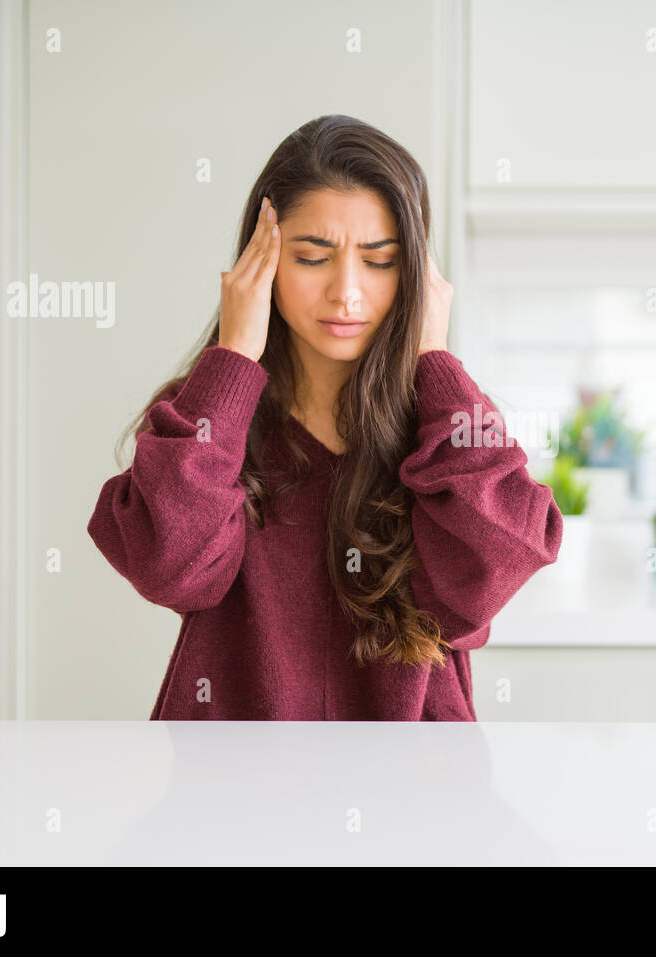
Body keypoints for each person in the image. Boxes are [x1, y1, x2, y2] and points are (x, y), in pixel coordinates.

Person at [87, 115, 562, 720]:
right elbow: (169, 569)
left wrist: (435, 362)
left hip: (417, 794)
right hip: (229, 793)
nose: (347, 292)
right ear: (263, 264)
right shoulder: (211, 411)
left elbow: (486, 576)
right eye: (313, 257)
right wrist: (231, 356)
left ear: (417, 276)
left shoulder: (444, 423)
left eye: (381, 261)